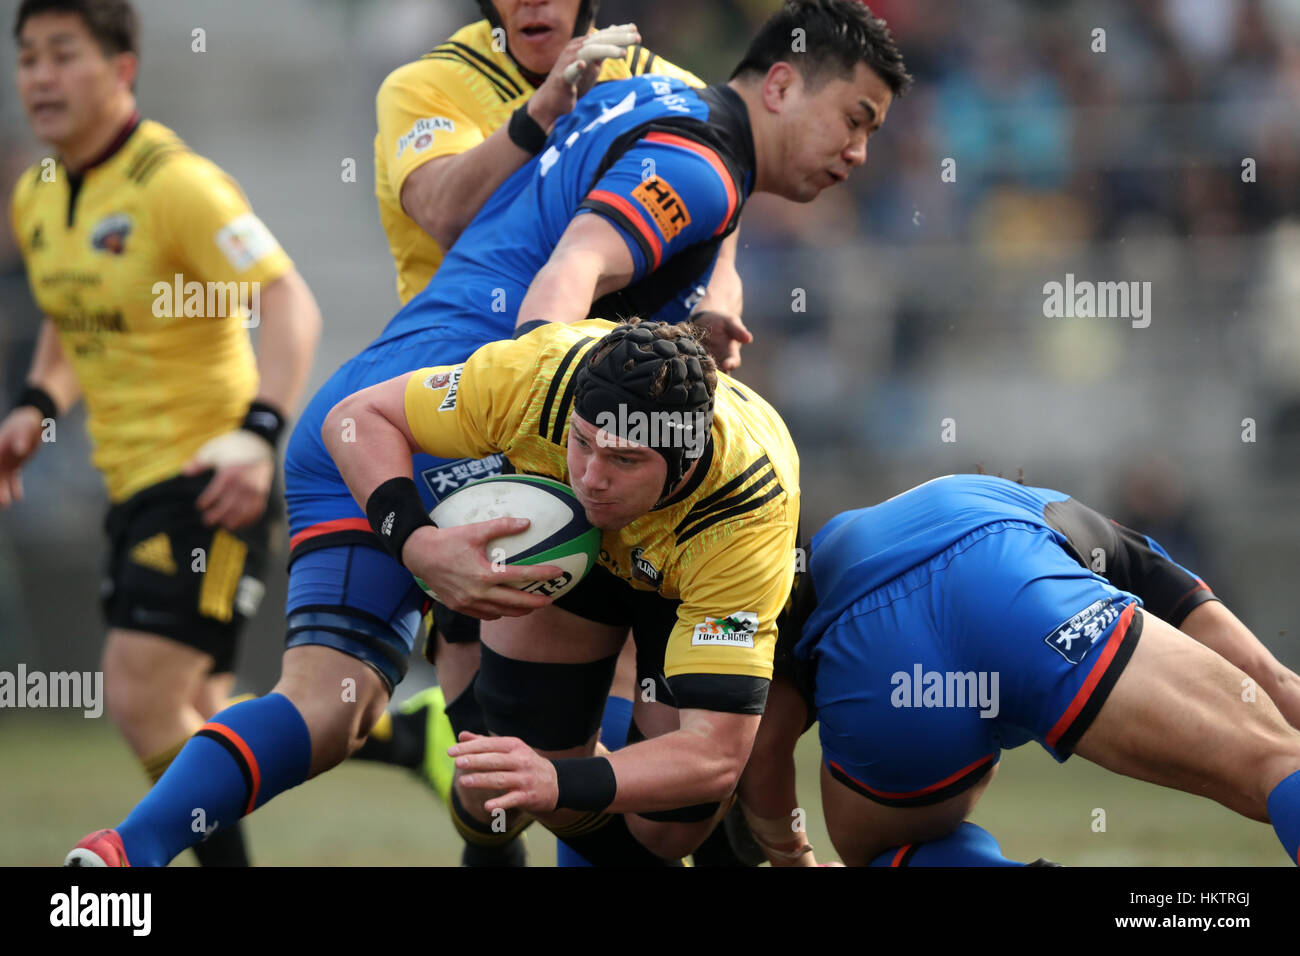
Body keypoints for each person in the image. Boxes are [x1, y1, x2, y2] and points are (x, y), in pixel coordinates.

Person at [65, 0, 909, 867]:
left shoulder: (637, 96)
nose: (858, 152)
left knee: (326, 706)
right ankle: (496, 814)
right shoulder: (687, 155)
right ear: (780, 84)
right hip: (470, 418)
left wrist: (702, 302)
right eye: (855, 119)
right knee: (609, 693)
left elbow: (679, 221)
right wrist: (546, 385)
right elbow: (573, 264)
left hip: (367, 405)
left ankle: (122, 855)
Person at [359, 0, 717, 867]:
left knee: (615, 689)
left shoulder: (663, 85)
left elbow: (722, 199)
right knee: (492, 755)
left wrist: (725, 296)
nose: (533, 2)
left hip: (618, 421)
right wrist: (542, 112)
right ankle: (470, 800)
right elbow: (443, 211)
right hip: (474, 401)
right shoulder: (428, 82)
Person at [2, 0, 321, 867]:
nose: (40, 77)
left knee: (141, 695)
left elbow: (289, 301)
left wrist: (259, 435)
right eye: (27, 57)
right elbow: (71, 313)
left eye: (63, 54)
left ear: (122, 69)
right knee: (206, 712)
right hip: (131, 484)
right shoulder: (37, 193)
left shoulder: (178, 184)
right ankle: (405, 739)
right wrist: (36, 404)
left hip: (210, 481)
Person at [735, 473, 1300, 866]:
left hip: (883, 660)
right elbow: (1268, 678)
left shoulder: (823, 557)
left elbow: (763, 747)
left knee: (883, 854)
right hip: (1013, 577)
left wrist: (795, 861)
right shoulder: (1064, 514)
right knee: (1274, 759)